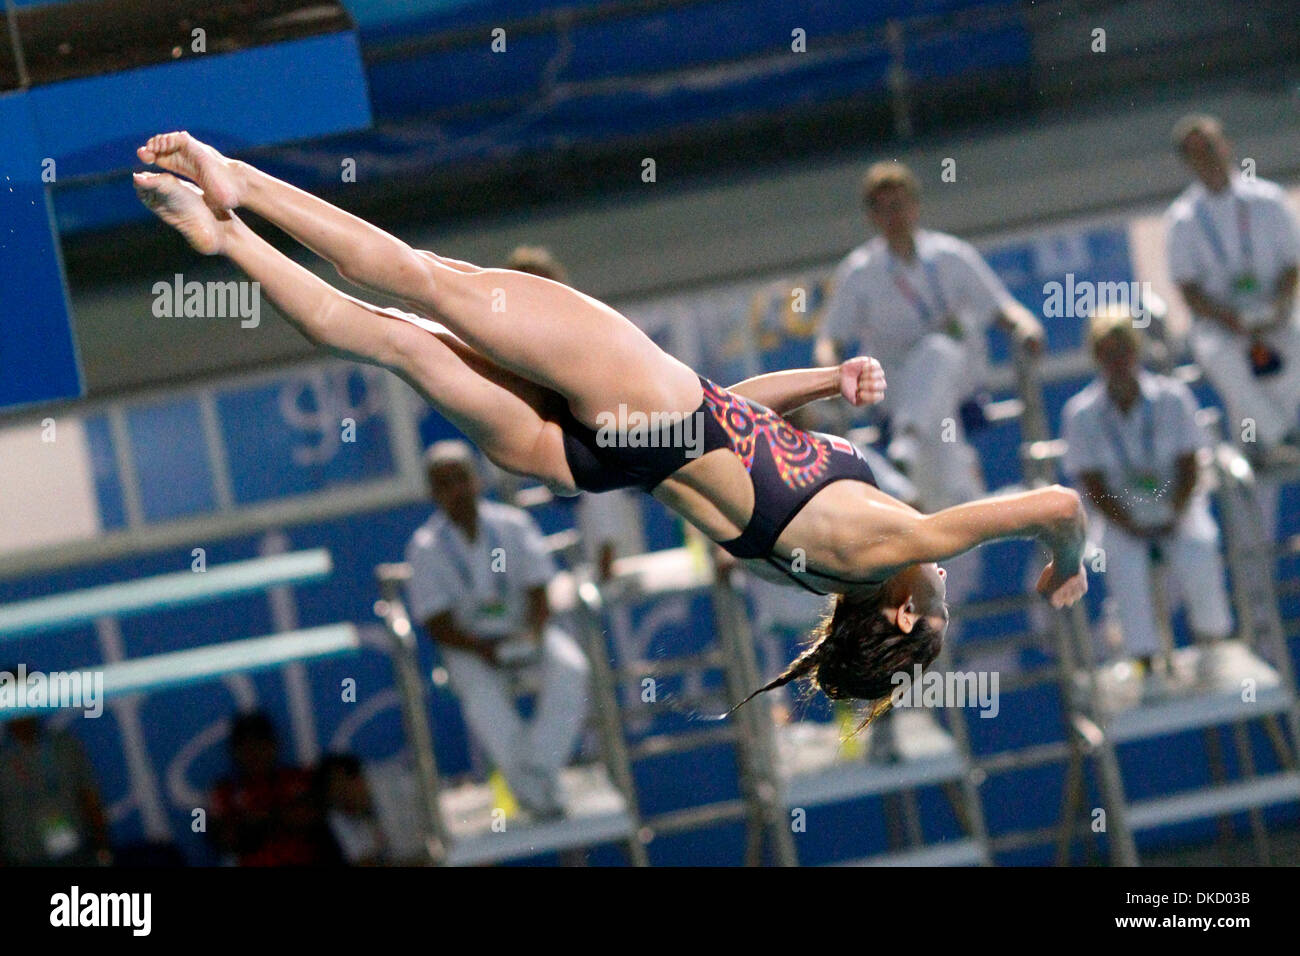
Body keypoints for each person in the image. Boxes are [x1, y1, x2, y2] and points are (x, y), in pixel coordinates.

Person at [132, 131, 1088, 728]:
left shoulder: (889, 544)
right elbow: (739, 429)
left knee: (429, 283)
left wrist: (1067, 554)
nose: (944, 578)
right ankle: (230, 244)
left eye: (943, 600)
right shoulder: (807, 564)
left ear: (905, 614)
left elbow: (1052, 501)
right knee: (389, 346)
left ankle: (239, 184)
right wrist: (826, 378)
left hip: (651, 405)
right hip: (591, 461)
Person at [814, 160, 1045, 510]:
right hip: (896, 391)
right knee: (950, 483)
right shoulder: (859, 272)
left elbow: (1003, 309)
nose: (894, 215)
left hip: (958, 382)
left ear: (915, 206)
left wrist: (1027, 328)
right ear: (872, 217)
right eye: (883, 208)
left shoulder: (952, 255)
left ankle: (906, 450)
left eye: (900, 204)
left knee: (939, 351)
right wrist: (830, 374)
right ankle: (953, 499)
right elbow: (830, 340)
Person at [404, 439, 591, 821]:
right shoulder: (425, 548)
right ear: (433, 494)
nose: (456, 491)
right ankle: (538, 791)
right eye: (444, 484)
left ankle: (536, 771)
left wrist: (532, 634)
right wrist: (482, 647)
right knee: (481, 696)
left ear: (477, 479)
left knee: (570, 666)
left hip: (526, 631)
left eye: (461, 479)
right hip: (470, 645)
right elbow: (437, 623)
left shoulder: (512, 524)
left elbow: (541, 589)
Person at [1061, 308, 1233, 695]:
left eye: (1123, 350)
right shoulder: (1081, 413)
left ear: (1136, 351)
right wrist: (1130, 523)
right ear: (1096, 357)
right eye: (1107, 352)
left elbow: (1191, 462)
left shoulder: (1172, 398)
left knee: (1198, 547)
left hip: (1178, 507)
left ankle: (1212, 643)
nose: (1117, 361)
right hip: (1122, 516)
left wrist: (1174, 511)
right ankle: (1143, 659)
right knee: (1122, 558)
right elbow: (1092, 484)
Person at [1165, 114, 1300, 471]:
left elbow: (1292, 264)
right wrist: (1231, 319)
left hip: (1274, 310)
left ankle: (1272, 440)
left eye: (1210, 147)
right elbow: (1188, 288)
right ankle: (1276, 438)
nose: (1207, 158)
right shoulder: (1182, 219)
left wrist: (1278, 308)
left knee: (1295, 343)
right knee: (1221, 357)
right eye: (1196, 153)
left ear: (1226, 146)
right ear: (1187, 162)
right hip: (1220, 323)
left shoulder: (1268, 200)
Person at [504, 244, 646, 579]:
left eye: (545, 287)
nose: (539, 298)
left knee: (602, 456)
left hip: (601, 423)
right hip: (553, 432)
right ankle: (601, 555)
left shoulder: (587, 323)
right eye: (529, 290)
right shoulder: (510, 335)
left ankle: (609, 552)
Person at [208, 710, 337, 866]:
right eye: (246, 746)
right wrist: (280, 816)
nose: (255, 752)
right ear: (235, 751)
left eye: (261, 744)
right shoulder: (226, 791)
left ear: (274, 745)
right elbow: (227, 840)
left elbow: (309, 818)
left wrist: (259, 820)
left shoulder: (299, 778)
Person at [0, 703, 111, 866]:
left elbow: (90, 798)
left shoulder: (65, 745)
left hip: (77, 856)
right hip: (22, 859)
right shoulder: (3, 759)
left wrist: (103, 848)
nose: (20, 711)